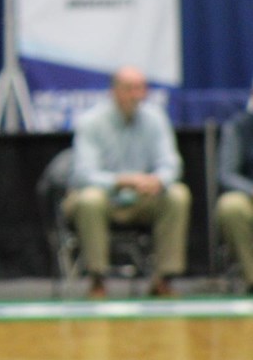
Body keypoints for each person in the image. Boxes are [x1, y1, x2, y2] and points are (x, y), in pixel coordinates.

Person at [65, 65, 191, 299]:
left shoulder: (155, 119)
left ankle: (164, 279)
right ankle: (97, 280)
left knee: (176, 194)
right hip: (103, 198)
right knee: (90, 199)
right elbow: (83, 174)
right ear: (114, 91)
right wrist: (120, 181)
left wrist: (158, 180)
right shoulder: (91, 122)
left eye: (141, 89)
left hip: (141, 199)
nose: (137, 95)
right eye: (130, 89)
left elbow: (171, 163)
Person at [215, 78, 253, 295]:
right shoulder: (237, 127)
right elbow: (227, 174)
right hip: (248, 197)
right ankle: (251, 278)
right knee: (231, 206)